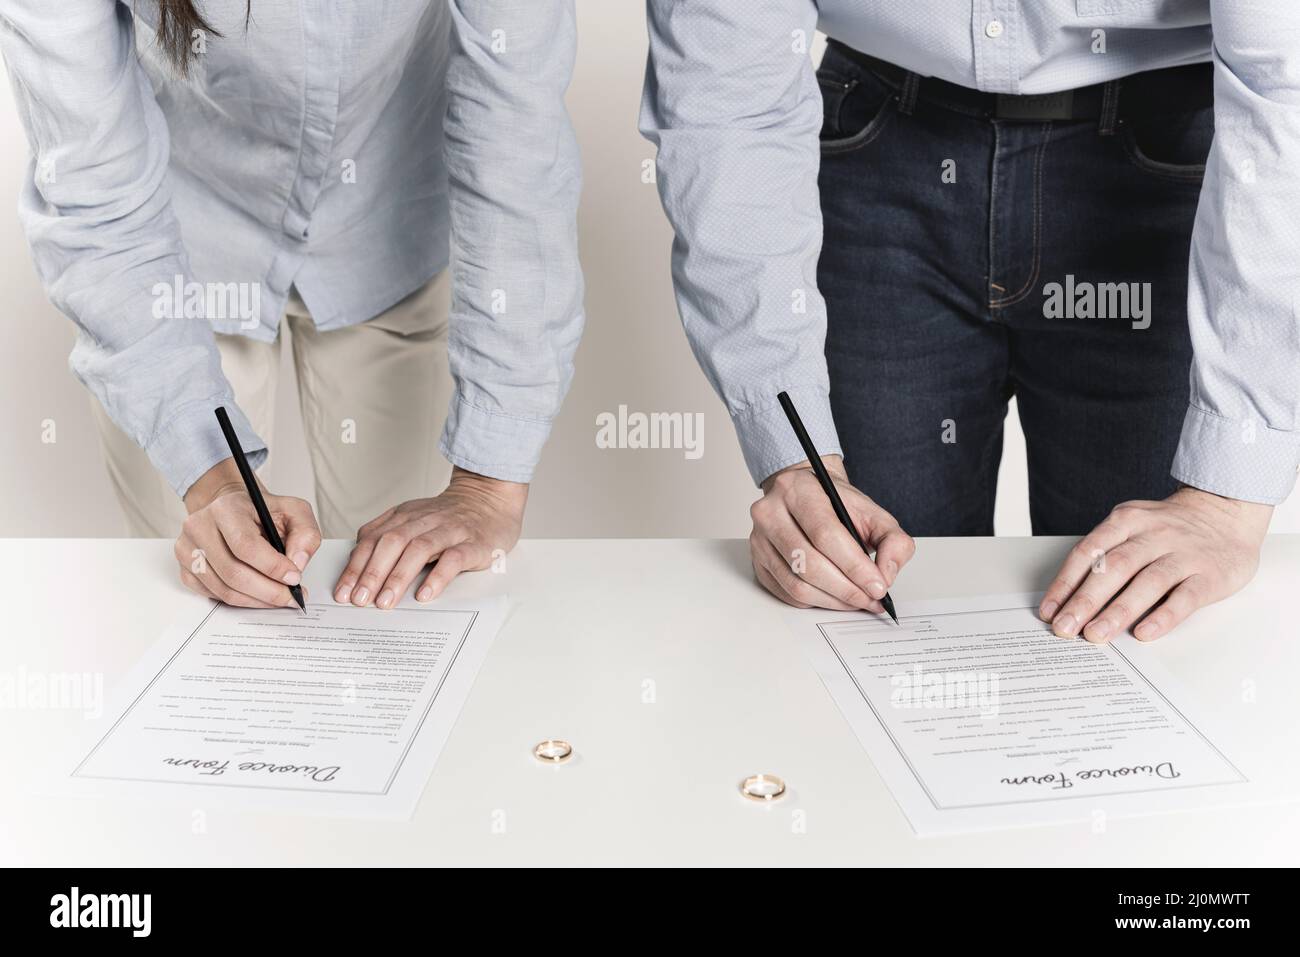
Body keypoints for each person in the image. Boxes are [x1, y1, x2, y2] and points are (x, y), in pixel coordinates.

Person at [640, 1, 1295, 640]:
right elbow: (725, 83)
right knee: (861, 608)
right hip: (876, 140)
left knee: (1142, 625)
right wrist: (793, 456)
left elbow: (1283, 71)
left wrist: (1226, 501)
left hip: (1167, 162)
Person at [1, 1, 555, 609]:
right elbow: (94, 195)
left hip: (389, 216)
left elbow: (518, 137)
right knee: (214, 586)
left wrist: (487, 486)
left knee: (399, 589)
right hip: (173, 265)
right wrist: (211, 478)